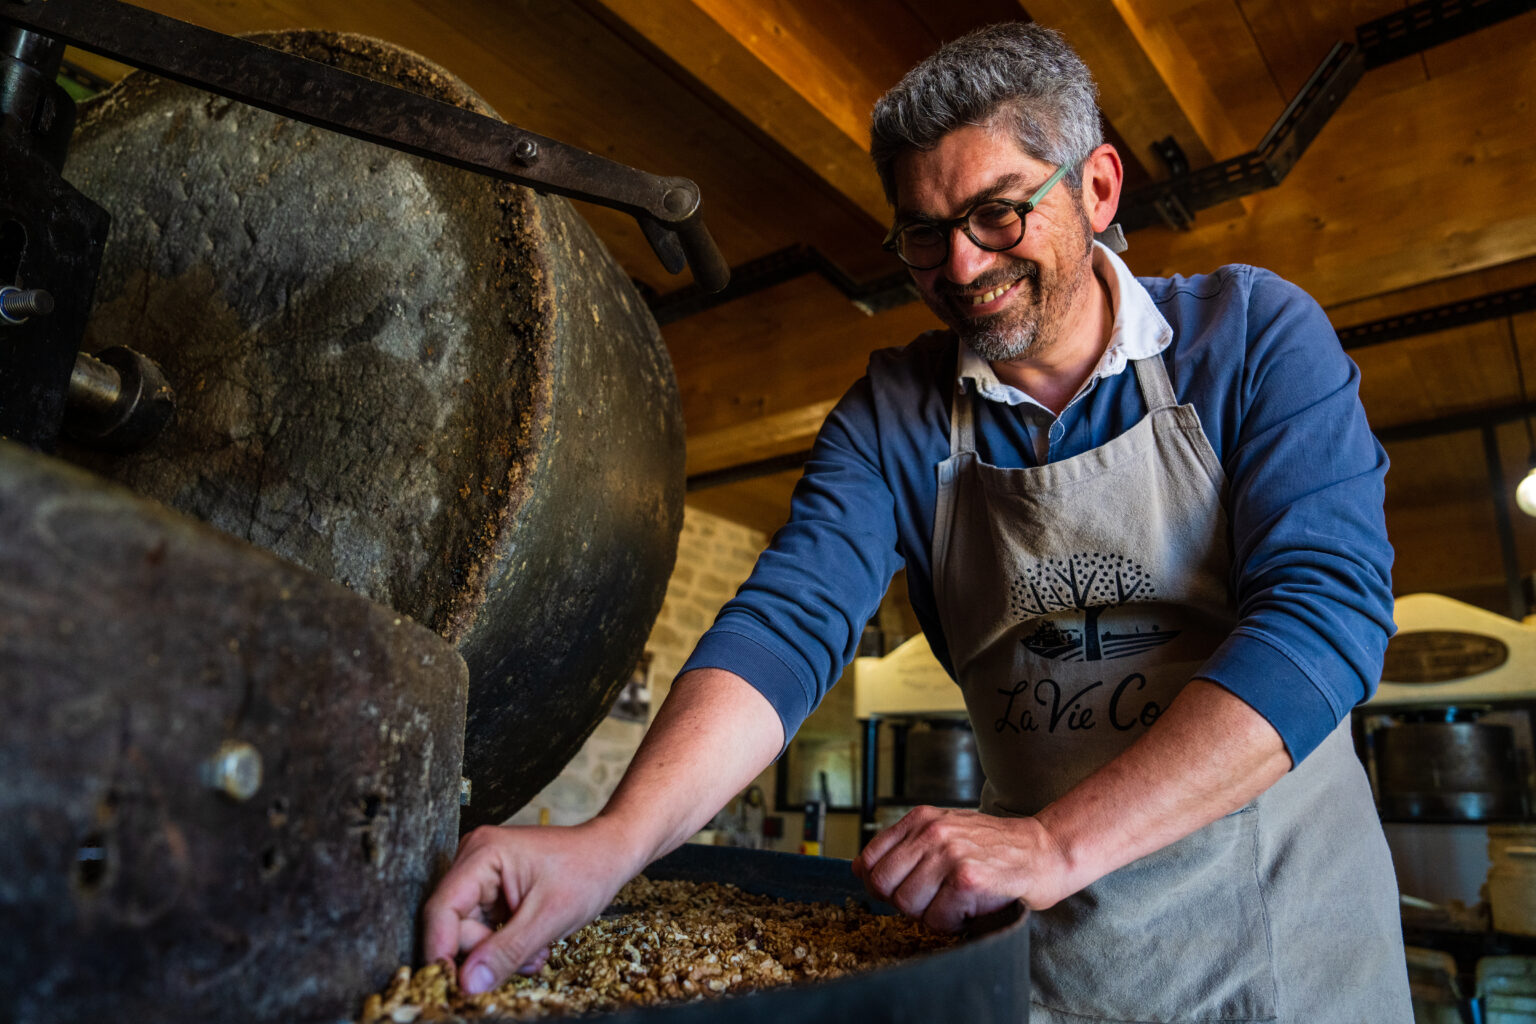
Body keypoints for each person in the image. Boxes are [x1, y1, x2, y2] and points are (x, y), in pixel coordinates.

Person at [424, 22, 1411, 1022]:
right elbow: (784, 625)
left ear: (1099, 188)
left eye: (996, 213)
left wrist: (1052, 843)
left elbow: (1322, 621)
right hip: (1061, 962)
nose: (962, 266)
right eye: (923, 233)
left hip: (1287, 951)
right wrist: (613, 842)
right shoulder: (896, 413)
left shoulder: (1249, 336)